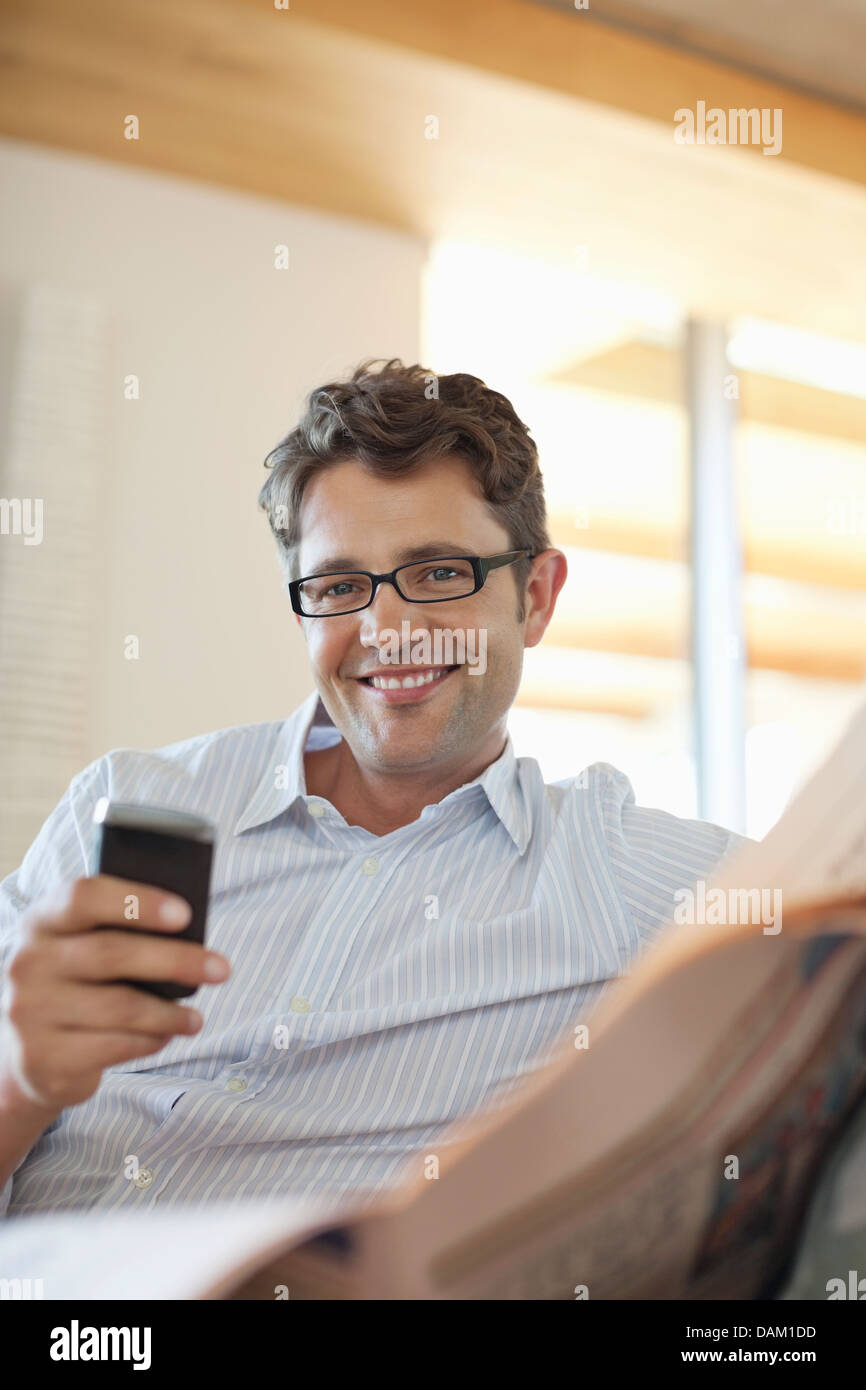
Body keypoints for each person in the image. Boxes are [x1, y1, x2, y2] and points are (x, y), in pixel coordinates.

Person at [0, 358, 747, 1219]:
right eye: (341, 586)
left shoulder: (614, 870)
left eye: (438, 574)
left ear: (534, 598)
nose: (385, 631)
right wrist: (21, 1081)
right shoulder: (125, 806)